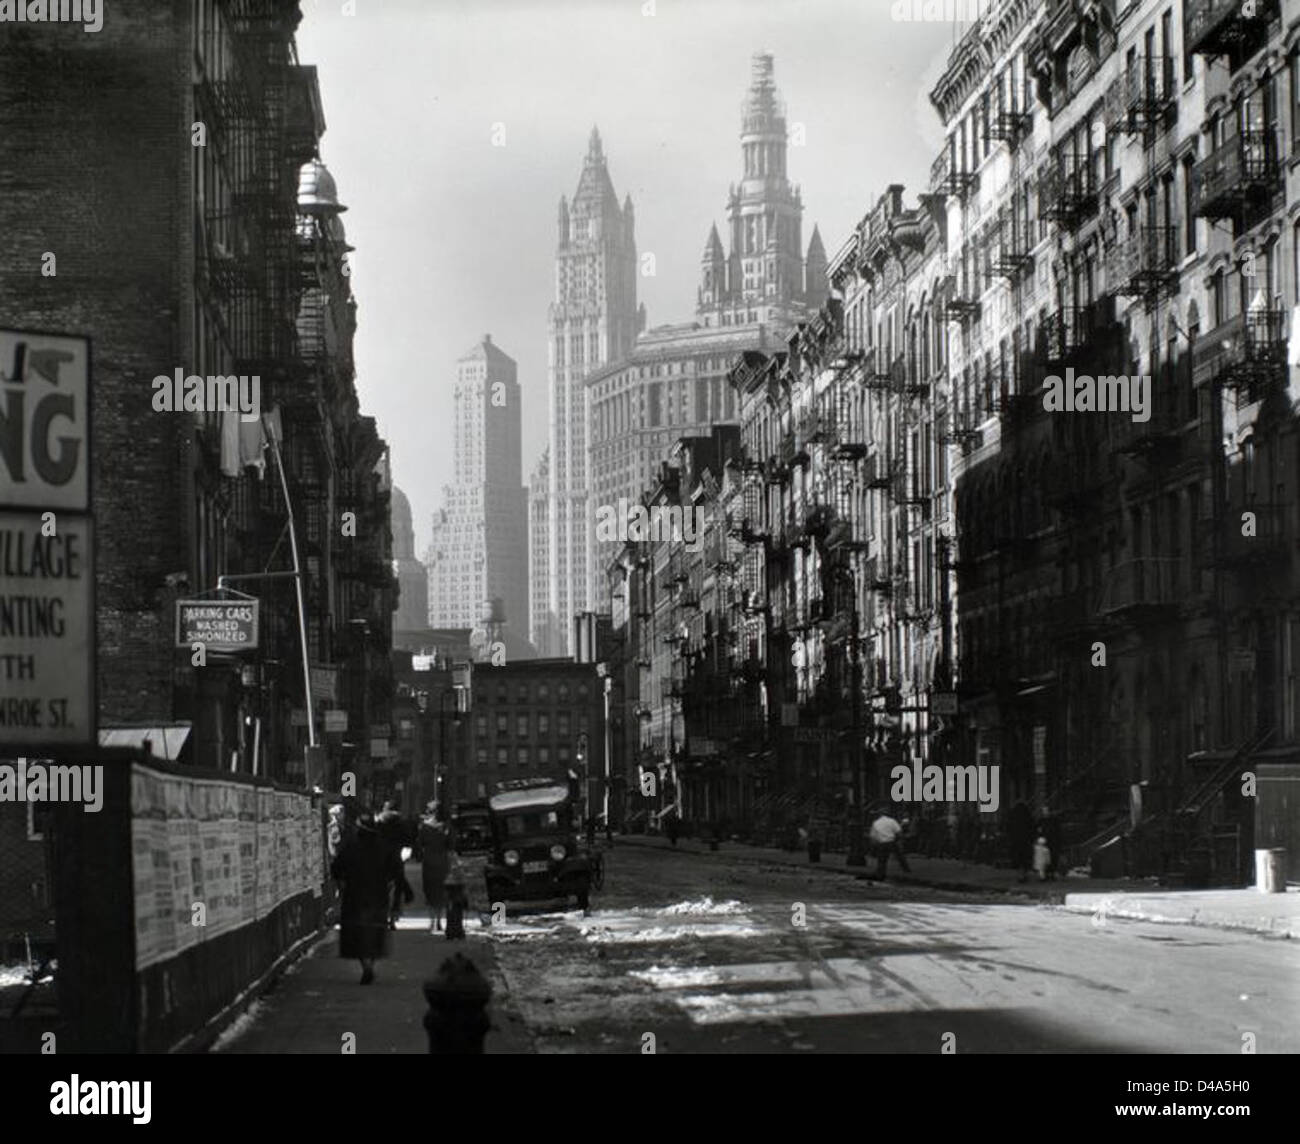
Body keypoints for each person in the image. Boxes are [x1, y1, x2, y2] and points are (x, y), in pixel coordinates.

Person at [330, 813, 403, 984]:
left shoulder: (351, 847)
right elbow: (395, 869)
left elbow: (337, 868)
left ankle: (366, 965)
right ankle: (371, 963)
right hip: (378, 895)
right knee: (375, 931)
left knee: (358, 933)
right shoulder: (383, 846)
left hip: (355, 896)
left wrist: (342, 880)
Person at [376, 801, 414, 928]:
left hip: (381, 857)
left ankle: (382, 914)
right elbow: (408, 839)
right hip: (396, 856)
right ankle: (393, 915)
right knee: (398, 885)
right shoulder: (401, 821)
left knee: (382, 888)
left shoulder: (379, 820)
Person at [419, 813, 451, 933]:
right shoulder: (446, 827)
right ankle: (438, 921)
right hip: (442, 862)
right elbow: (451, 845)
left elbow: (420, 844)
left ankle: (432, 921)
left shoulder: (424, 828)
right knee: (441, 892)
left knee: (430, 891)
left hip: (428, 862)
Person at [870, 809, 911, 879]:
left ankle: (881, 873)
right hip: (891, 842)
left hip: (881, 843)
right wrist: (898, 839)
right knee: (900, 856)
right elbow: (899, 831)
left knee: (882, 860)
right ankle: (906, 869)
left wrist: (874, 845)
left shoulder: (876, 823)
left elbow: (873, 836)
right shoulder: (892, 821)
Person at [1006, 800, 1034, 882]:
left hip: (1016, 841)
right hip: (1026, 841)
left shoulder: (1012, 816)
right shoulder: (1028, 816)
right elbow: (1032, 828)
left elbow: (1008, 828)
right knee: (1025, 859)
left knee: (1018, 859)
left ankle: (1020, 875)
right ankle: (1024, 875)